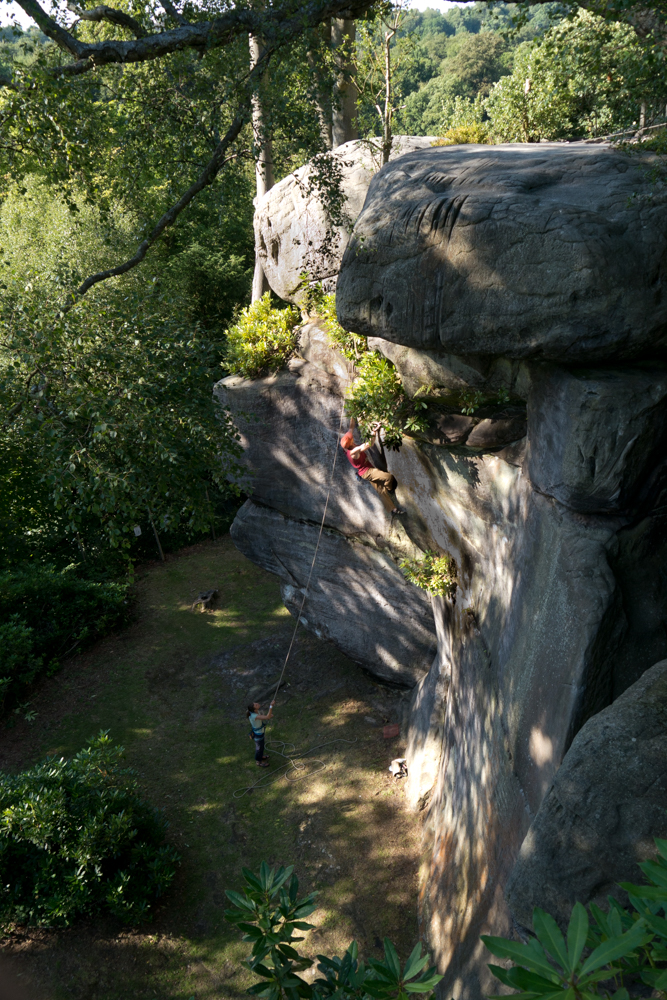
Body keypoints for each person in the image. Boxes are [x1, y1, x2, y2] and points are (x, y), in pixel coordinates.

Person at [340, 419, 405, 515]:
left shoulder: (345, 445)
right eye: (351, 438)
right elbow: (370, 444)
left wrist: (352, 414)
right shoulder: (353, 452)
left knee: (380, 490)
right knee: (388, 477)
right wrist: (374, 430)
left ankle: (393, 510)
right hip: (367, 471)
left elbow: (351, 427)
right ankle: (390, 489)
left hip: (366, 470)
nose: (351, 435)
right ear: (350, 442)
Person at [247, 700, 275, 767]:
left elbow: (263, 717)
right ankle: (258, 762)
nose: (257, 704)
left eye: (256, 703)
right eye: (256, 705)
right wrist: (271, 706)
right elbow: (266, 717)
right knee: (259, 748)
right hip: (258, 734)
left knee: (261, 747)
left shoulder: (256, 712)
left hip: (260, 733)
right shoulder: (254, 716)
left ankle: (261, 756)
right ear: (254, 709)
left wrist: (268, 716)